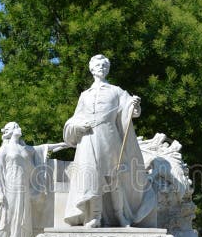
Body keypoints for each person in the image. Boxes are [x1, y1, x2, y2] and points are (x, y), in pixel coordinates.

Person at [62, 54, 156, 227]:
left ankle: (120, 216)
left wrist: (134, 105)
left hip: (110, 138)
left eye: (105, 66)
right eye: (98, 65)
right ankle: (95, 218)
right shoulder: (85, 95)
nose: (101, 68)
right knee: (93, 178)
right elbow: (74, 119)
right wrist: (79, 125)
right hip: (89, 139)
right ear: (91, 69)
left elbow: (131, 112)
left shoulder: (116, 91)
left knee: (114, 178)